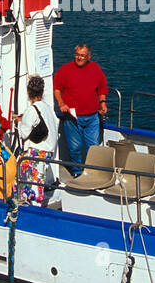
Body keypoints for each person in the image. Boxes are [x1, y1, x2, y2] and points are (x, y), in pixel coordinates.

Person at [53, 43, 108, 176]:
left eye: (82, 55)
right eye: (77, 54)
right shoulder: (65, 69)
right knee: (75, 147)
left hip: (92, 117)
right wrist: (61, 104)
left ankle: (93, 173)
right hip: (72, 118)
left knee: (93, 147)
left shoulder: (95, 68)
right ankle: (77, 173)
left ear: (89, 56)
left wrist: (103, 103)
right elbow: (57, 89)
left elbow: (101, 88)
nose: (79, 58)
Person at [12, 75, 59, 204]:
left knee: (30, 184)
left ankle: (31, 209)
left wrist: (19, 122)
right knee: (39, 183)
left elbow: (23, 133)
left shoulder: (31, 110)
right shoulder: (47, 108)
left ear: (28, 92)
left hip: (36, 151)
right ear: (42, 92)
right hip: (48, 150)